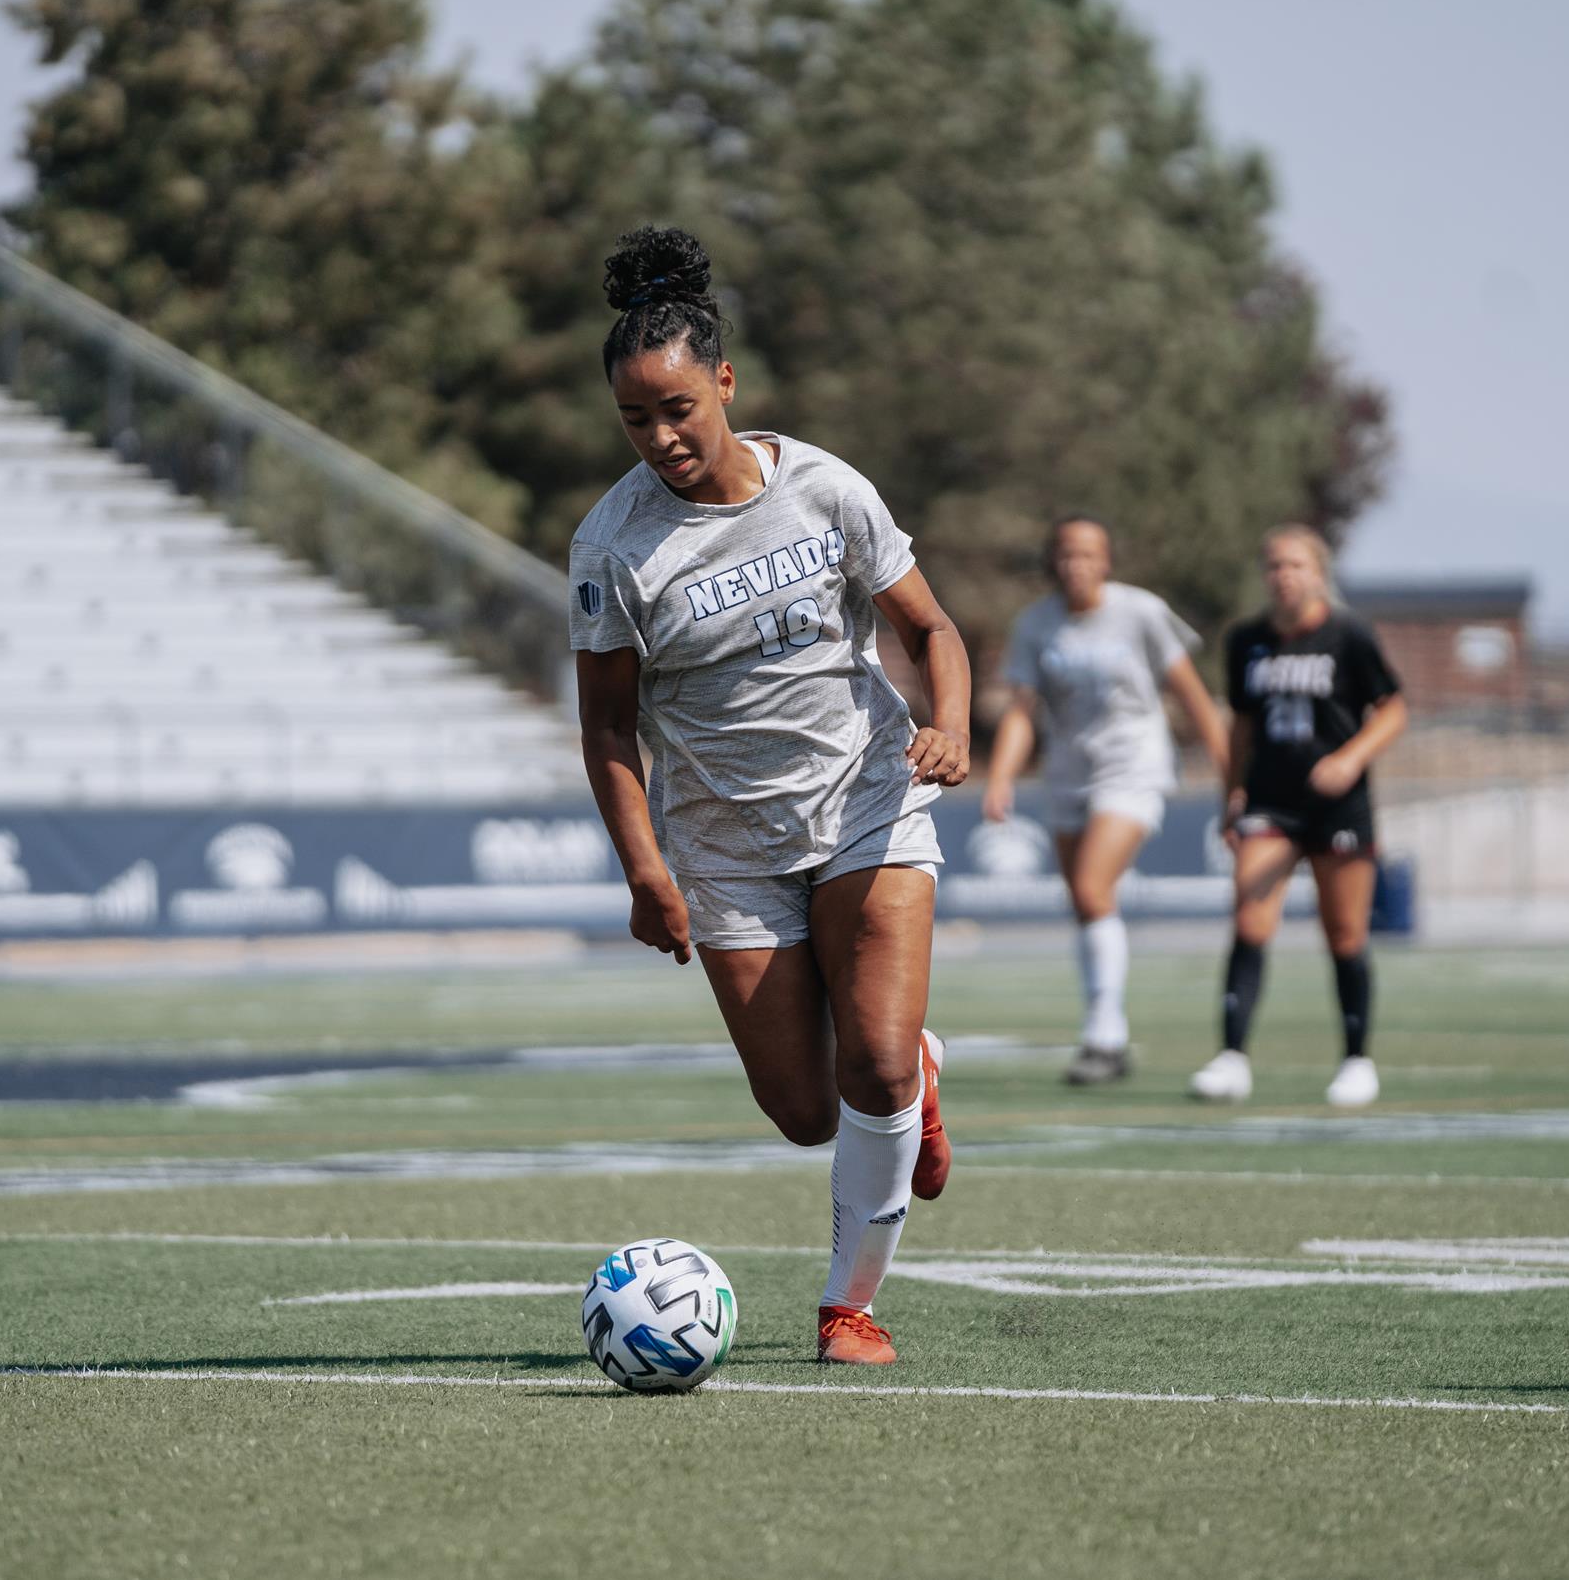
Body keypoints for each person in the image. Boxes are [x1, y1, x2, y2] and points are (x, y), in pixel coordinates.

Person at [569, 228, 971, 1367]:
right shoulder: (612, 547)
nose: (662, 438)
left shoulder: (826, 490)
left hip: (866, 800)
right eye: (636, 421)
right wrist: (645, 869)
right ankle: (918, 1072)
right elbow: (606, 724)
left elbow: (932, 629)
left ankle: (849, 1306)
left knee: (874, 1067)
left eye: (679, 409)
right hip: (724, 845)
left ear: (725, 384)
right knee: (805, 1108)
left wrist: (950, 724)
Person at [981, 516, 1228, 1084]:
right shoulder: (1037, 623)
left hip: (1133, 764)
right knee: (1086, 903)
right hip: (1069, 772)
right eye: (1067, 554)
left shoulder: (1139, 611)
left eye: (1089, 554)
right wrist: (1001, 777)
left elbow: (1191, 695)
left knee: (1093, 889)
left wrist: (1229, 773)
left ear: (1107, 560)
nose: (1078, 564)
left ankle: (1104, 1035)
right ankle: (1106, 1033)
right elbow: (1021, 710)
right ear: (1054, 561)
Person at [1190, 524, 1405, 1108]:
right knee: (1250, 918)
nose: (1284, 576)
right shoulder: (1247, 640)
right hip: (1271, 802)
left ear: (1318, 573)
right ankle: (1232, 1057)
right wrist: (1231, 793)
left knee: (1345, 934)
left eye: (1296, 566)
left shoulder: (1349, 634)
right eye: (1275, 566)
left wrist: (1349, 758)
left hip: (1340, 805)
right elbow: (1240, 725)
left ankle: (1357, 1060)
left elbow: (1392, 709)